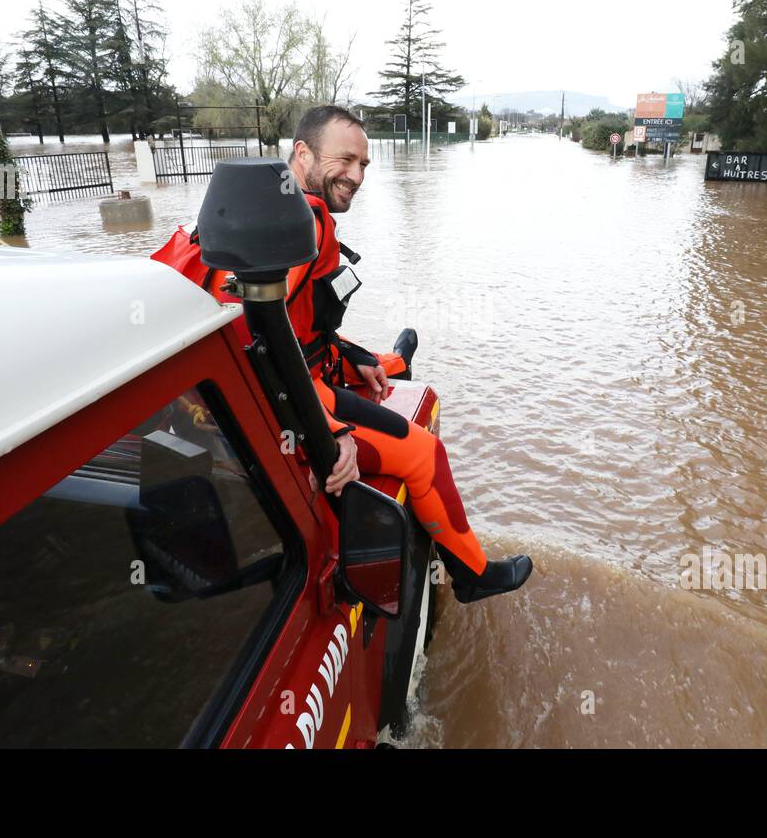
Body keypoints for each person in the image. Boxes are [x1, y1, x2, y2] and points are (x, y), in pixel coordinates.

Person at [170, 105, 531, 604]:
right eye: (346, 160)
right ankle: (471, 574)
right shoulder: (302, 221)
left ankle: (392, 360)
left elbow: (286, 324)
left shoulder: (238, 215)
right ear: (302, 154)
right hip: (283, 394)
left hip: (277, 371)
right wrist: (330, 433)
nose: (358, 176)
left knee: (377, 364)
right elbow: (253, 345)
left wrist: (351, 352)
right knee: (425, 454)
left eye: (365, 165)